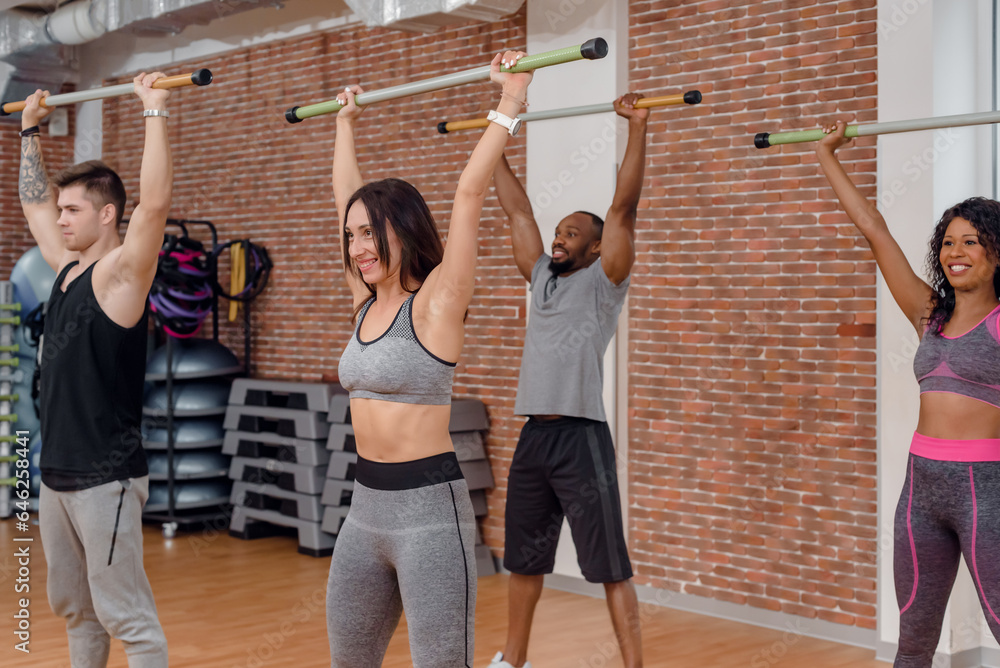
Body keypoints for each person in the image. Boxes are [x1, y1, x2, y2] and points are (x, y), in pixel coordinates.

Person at [327, 50, 533, 667]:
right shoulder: (364, 300)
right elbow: (344, 196)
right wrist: (345, 124)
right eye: (352, 235)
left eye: (371, 233)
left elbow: (469, 193)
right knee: (349, 660)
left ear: (404, 231)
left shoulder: (437, 303)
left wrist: (511, 100)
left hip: (429, 514)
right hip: (364, 510)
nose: (359, 247)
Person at [817, 120, 1000, 668]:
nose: (956, 251)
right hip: (920, 486)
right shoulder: (930, 315)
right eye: (948, 241)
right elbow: (874, 229)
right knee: (914, 640)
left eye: (972, 241)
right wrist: (829, 154)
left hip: (984, 489)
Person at [487, 94, 650, 668]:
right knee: (523, 560)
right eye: (560, 231)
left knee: (609, 565)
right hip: (534, 438)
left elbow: (624, 207)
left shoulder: (606, 280)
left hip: (582, 440)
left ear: (598, 245)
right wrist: (494, 139)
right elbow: (517, 214)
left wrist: (637, 128)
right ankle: (515, 659)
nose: (560, 238)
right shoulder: (542, 279)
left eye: (573, 233)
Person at [18, 74, 173, 666]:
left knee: (127, 618)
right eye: (61, 209)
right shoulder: (65, 269)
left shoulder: (120, 277)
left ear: (108, 215)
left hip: (105, 480)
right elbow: (34, 201)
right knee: (77, 614)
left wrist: (154, 111)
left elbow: (154, 205)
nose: (59, 219)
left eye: (73, 210)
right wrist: (30, 130)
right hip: (56, 475)